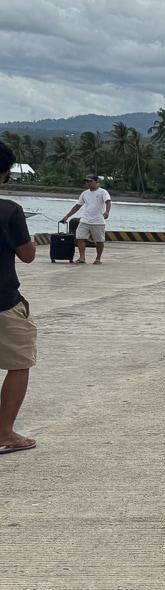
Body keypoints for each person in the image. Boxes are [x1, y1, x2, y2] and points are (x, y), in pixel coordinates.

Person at [0, 141, 38, 455]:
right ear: (4, 175)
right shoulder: (9, 210)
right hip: (3, 302)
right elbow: (27, 256)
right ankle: (5, 433)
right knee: (18, 363)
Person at [58, 175, 112, 264]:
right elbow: (77, 206)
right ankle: (82, 257)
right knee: (80, 237)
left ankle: (98, 258)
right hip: (85, 220)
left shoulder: (103, 192)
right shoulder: (85, 193)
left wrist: (107, 212)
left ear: (96, 182)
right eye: (87, 181)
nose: (88, 183)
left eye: (90, 181)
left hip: (98, 220)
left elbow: (108, 202)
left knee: (99, 240)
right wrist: (67, 216)